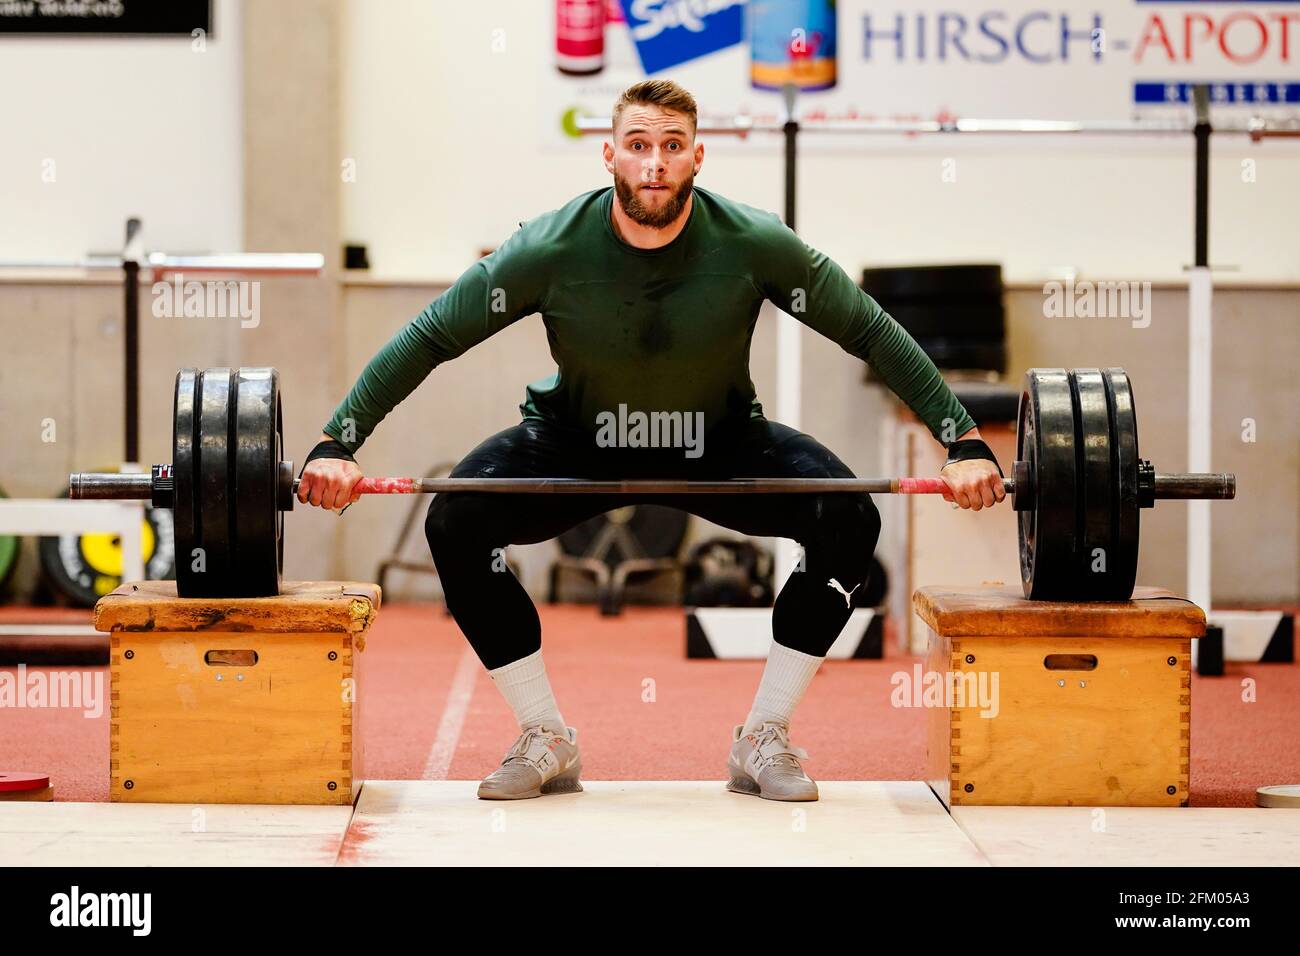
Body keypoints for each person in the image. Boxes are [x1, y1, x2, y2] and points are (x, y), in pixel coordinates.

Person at [297, 79, 1005, 802]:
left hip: (718, 442)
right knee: (455, 521)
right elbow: (432, 335)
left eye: (671, 147)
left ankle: (764, 735)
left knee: (849, 519)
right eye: (639, 146)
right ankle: (545, 734)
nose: (655, 163)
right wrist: (336, 441)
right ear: (610, 156)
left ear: (698, 158)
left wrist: (963, 440)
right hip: (578, 440)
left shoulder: (755, 243)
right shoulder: (547, 248)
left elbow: (869, 330)